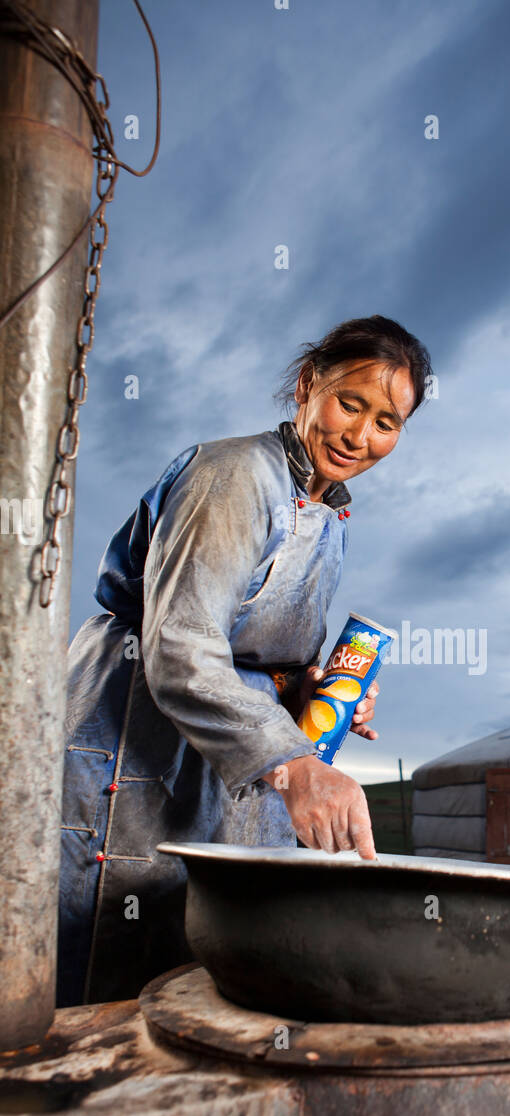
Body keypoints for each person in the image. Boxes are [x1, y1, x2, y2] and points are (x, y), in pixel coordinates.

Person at [59, 315, 432, 1007]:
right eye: (350, 405)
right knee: (114, 965)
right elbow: (182, 645)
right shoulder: (234, 476)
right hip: (140, 730)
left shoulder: (325, 506)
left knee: (209, 967)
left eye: (387, 422)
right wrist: (291, 764)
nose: (360, 436)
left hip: (232, 751)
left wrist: (311, 686)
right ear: (307, 384)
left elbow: (258, 636)